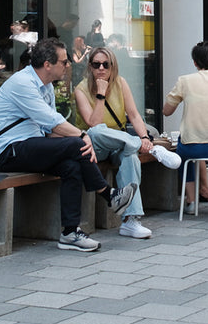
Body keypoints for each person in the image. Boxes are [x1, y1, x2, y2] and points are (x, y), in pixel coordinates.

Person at [0, 37, 137, 251]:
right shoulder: (22, 83)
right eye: (64, 62)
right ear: (48, 65)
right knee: (76, 144)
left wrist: (77, 140)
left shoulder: (45, 86)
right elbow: (53, 122)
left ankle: (70, 233)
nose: (68, 65)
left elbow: (51, 130)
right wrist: (82, 136)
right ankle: (108, 195)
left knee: (71, 165)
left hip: (31, 145)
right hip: (7, 151)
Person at [75, 46, 181, 239]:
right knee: (97, 131)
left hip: (119, 141)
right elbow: (93, 122)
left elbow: (133, 115)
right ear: (90, 67)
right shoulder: (81, 89)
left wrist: (144, 137)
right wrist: (100, 94)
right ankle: (149, 148)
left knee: (130, 156)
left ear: (112, 66)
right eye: (96, 64)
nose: (101, 68)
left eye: (105, 64)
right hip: (93, 145)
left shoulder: (120, 83)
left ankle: (131, 220)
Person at [162, 40, 208, 211]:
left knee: (183, 155)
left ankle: (191, 201)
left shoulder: (184, 81)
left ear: (195, 62)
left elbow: (166, 111)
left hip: (192, 146)